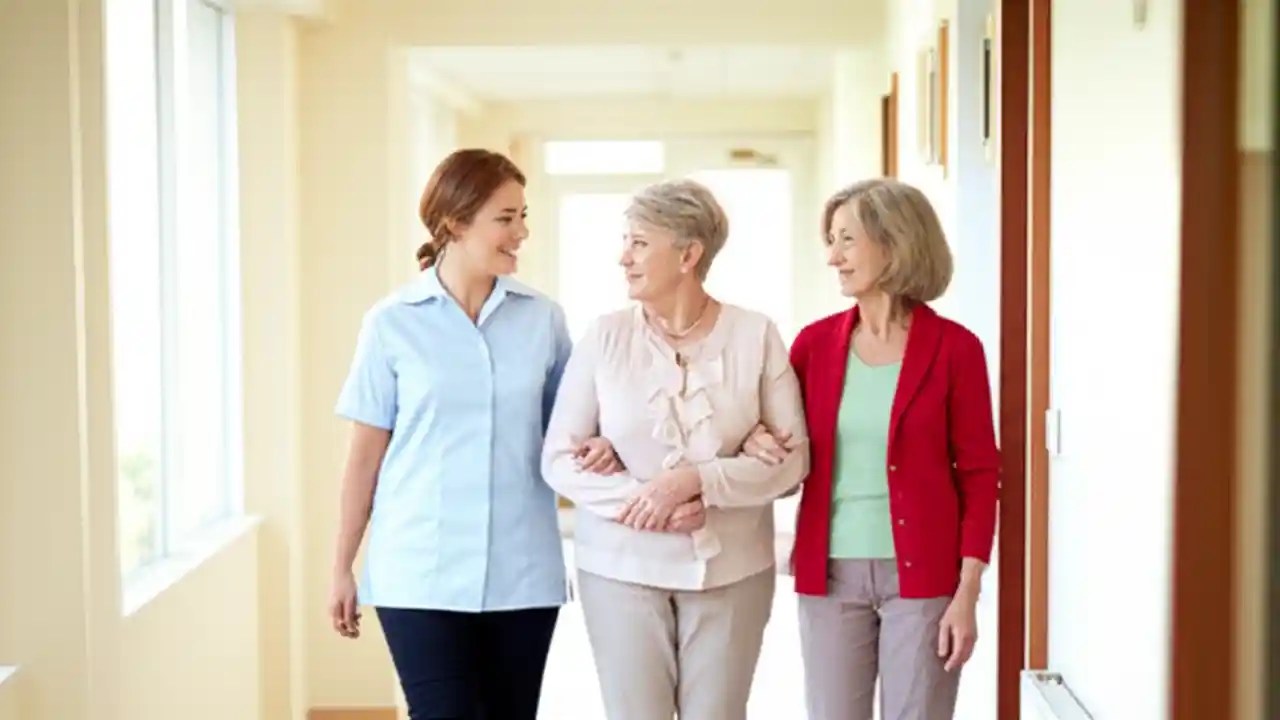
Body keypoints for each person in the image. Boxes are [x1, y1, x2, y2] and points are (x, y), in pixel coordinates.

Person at [327, 148, 618, 720]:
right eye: (505, 218)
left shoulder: (543, 319)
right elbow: (364, 459)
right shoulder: (391, 323)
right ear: (455, 223)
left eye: (523, 215)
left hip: (522, 574)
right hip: (417, 573)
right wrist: (341, 566)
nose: (522, 232)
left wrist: (601, 443)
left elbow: (571, 429)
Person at [541, 178, 810, 720]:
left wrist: (696, 481)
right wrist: (651, 503)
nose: (624, 258)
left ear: (689, 254)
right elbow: (559, 458)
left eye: (639, 242)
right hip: (618, 568)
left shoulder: (755, 334)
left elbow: (792, 462)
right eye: (626, 242)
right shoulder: (605, 336)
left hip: (732, 572)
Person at [751, 178, 1000, 720]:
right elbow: (775, 433)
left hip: (925, 578)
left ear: (893, 243)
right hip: (830, 573)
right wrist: (755, 436)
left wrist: (968, 592)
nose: (832, 257)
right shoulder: (814, 346)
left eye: (846, 240)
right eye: (830, 240)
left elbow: (981, 474)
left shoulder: (957, 349)